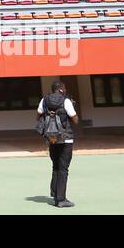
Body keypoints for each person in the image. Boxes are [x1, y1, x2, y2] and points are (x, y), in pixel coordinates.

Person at [36, 80, 78, 208]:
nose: (65, 90)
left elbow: (38, 115)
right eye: (64, 88)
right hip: (65, 138)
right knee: (63, 168)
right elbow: (75, 119)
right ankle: (61, 199)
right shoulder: (66, 100)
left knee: (55, 165)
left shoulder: (44, 100)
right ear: (60, 89)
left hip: (52, 138)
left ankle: (54, 192)